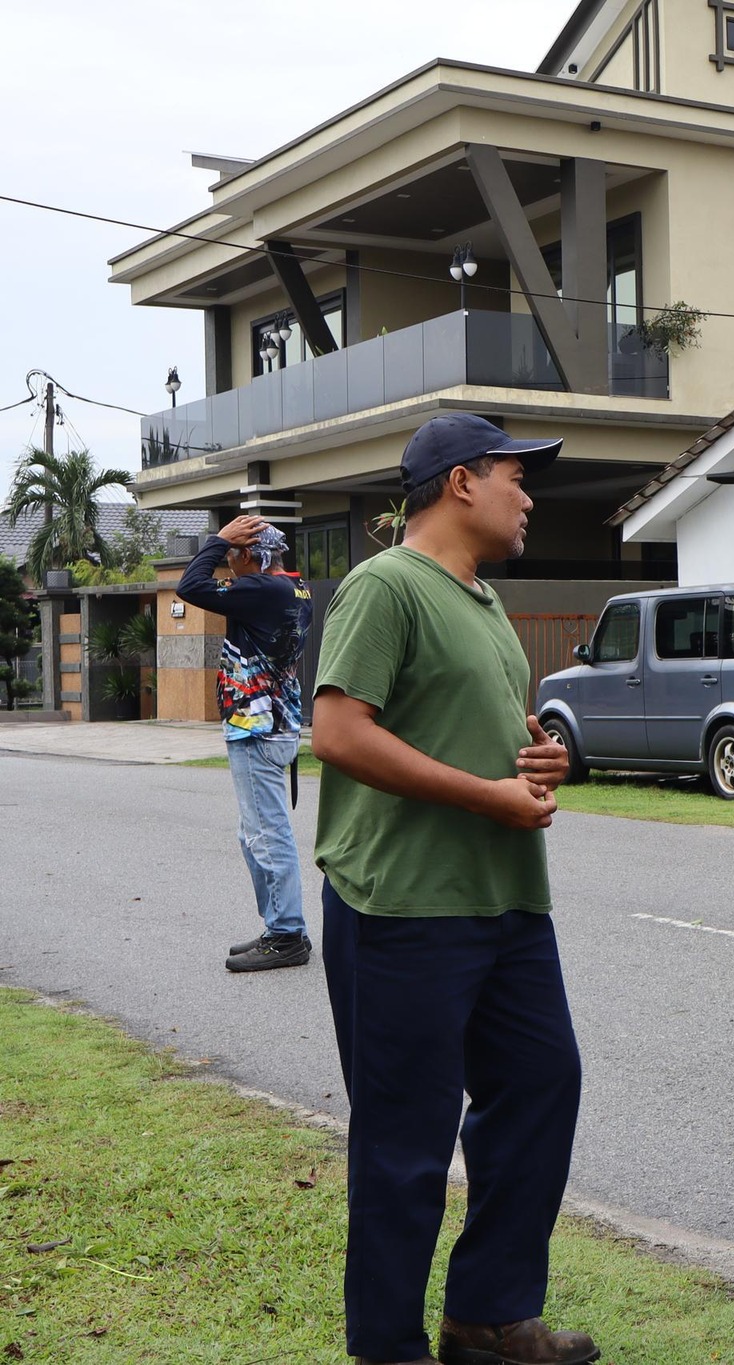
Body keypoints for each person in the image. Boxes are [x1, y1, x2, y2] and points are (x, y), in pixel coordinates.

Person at [309, 413, 595, 1365]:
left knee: (542, 1083)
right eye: (518, 476)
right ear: (462, 481)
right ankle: (387, 1345)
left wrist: (538, 760)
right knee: (406, 1136)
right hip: (403, 904)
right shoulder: (385, 584)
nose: (529, 497)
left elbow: (484, 728)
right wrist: (486, 794)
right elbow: (339, 732)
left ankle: (488, 1317)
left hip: (506, 900)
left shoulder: (483, 602)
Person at [176, 514, 315, 972]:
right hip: (276, 722)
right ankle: (280, 924)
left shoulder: (260, 589)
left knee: (266, 834)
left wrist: (217, 539)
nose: (228, 565)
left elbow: (190, 586)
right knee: (254, 833)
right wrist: (227, 544)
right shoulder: (295, 588)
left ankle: (286, 934)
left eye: (233, 556)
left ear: (251, 555)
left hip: (256, 727)